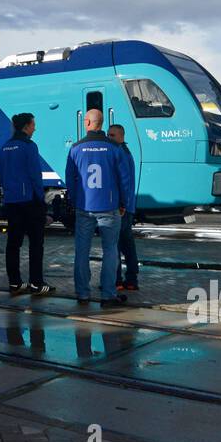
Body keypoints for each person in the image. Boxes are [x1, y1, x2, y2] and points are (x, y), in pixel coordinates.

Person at [65, 108, 133, 306]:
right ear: (101, 123)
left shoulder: (76, 148)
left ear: (87, 123)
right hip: (109, 207)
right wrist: (124, 204)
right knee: (110, 250)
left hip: (84, 207)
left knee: (81, 251)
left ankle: (83, 294)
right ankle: (108, 294)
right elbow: (125, 180)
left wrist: (77, 200)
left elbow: (70, 179)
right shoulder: (114, 148)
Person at [0, 112, 54, 296]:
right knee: (36, 244)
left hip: (11, 201)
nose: (35, 128)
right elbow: (35, 176)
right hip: (29, 201)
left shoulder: (5, 147)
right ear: (26, 126)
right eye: (33, 125)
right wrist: (41, 200)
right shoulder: (29, 146)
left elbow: (2, 174)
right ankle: (36, 283)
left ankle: (15, 283)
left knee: (13, 244)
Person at [107, 123, 139, 291]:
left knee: (115, 244)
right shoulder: (126, 152)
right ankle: (132, 280)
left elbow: (124, 182)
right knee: (127, 244)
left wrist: (121, 205)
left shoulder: (119, 152)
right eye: (108, 135)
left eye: (112, 135)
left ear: (121, 136)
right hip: (128, 206)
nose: (109, 138)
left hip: (122, 208)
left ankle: (117, 280)